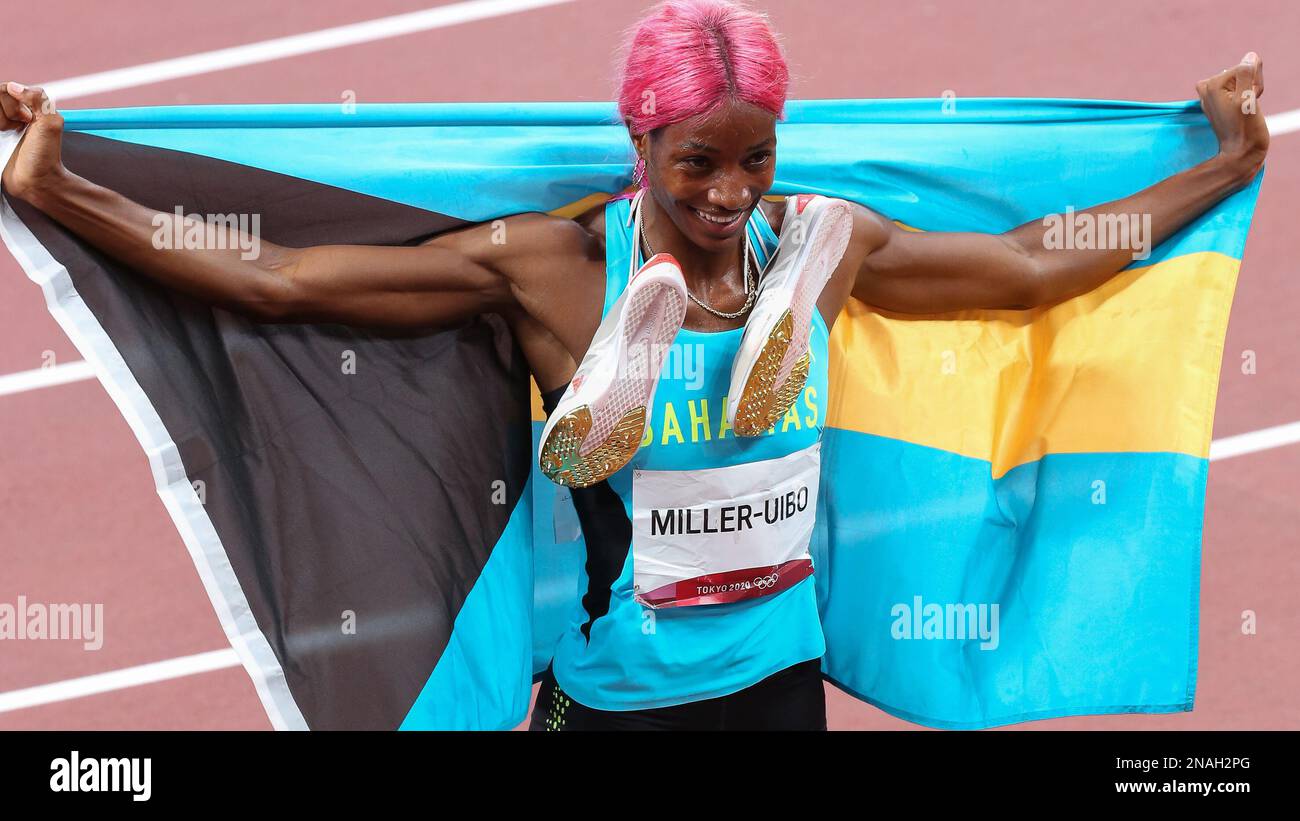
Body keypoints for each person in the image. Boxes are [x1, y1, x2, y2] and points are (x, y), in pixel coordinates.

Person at [0, 0, 1268, 731]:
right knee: (625, 425)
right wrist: (68, 188)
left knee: (802, 267)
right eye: (697, 165)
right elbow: (275, 274)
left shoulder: (823, 238)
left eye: (756, 162)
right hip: (622, 695)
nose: (729, 192)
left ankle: (710, 365)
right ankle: (618, 398)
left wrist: (1221, 164)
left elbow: (1037, 267)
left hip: (774, 676)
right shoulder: (545, 264)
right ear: (641, 139)